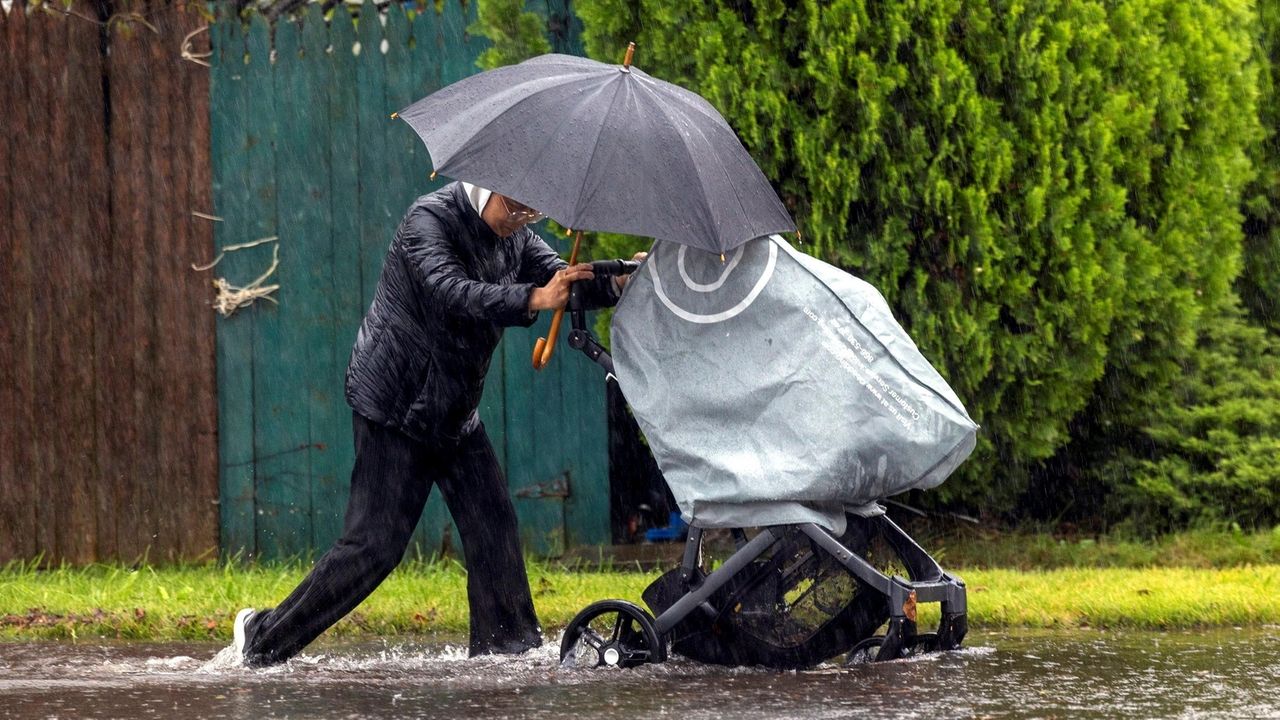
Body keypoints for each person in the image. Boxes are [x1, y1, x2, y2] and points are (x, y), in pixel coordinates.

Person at [230, 180, 640, 667]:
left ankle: (503, 651)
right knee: (374, 548)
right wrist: (534, 299)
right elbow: (451, 293)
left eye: (533, 212)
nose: (522, 218)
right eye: (515, 207)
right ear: (486, 188)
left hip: (454, 412)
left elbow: (561, 282)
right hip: (396, 407)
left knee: (493, 525)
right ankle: (262, 638)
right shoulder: (427, 222)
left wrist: (616, 281)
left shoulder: (516, 237)